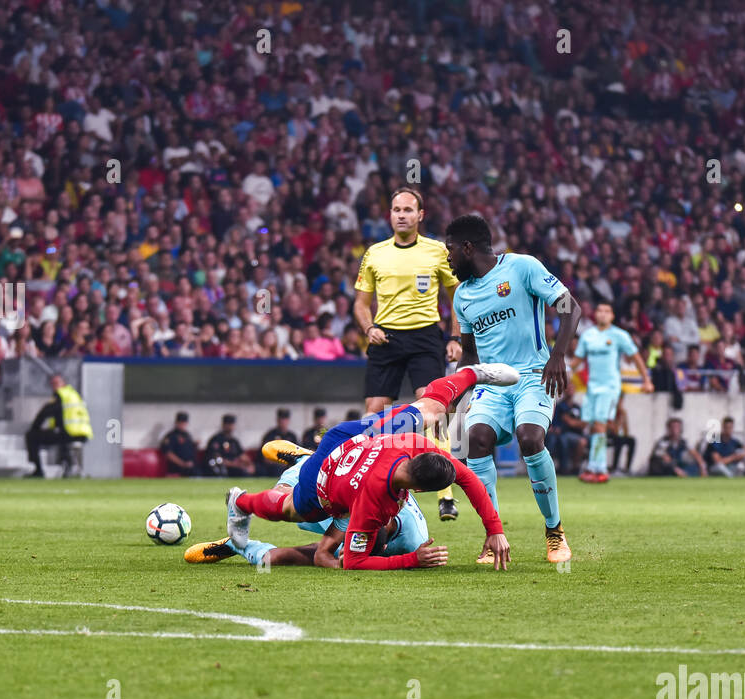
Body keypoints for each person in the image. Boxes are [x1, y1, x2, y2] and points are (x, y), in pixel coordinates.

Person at [223, 363, 519, 570]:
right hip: (324, 475)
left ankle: (471, 374)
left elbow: (467, 478)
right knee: (288, 509)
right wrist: (413, 561)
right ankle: (241, 501)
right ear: (416, 490)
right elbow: (355, 562)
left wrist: (494, 529)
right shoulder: (372, 504)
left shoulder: (414, 445)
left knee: (431, 410)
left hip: (359, 437)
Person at [448, 214, 579, 563]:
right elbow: (470, 352)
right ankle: (493, 537)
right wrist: (456, 390)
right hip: (491, 384)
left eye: (449, 250)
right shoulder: (462, 296)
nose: (447, 259)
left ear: (467, 247)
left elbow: (570, 307)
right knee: (475, 440)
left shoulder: (522, 267)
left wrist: (558, 356)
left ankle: (554, 532)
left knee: (530, 438)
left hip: (535, 375)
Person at [353, 187, 463, 521]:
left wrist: (456, 336)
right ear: (390, 214)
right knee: (374, 412)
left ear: (420, 216)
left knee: (435, 410)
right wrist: (368, 328)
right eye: (396, 209)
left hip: (425, 337)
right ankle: (367, 481)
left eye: (408, 210)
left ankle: (446, 493)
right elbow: (360, 304)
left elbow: (456, 295)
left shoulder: (437, 251)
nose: (401, 214)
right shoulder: (374, 253)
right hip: (386, 338)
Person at [186, 444, 430, 569]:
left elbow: (326, 557)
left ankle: (235, 545)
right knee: (283, 500)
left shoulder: (410, 543)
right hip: (339, 488)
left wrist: (344, 561)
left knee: (274, 560)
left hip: (352, 525)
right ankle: (306, 459)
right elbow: (325, 553)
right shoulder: (374, 501)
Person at [575, 302, 650, 482]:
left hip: (609, 387)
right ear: (595, 314)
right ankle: (595, 466)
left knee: (600, 424)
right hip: (591, 387)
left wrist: (646, 380)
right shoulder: (587, 336)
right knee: (593, 426)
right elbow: (576, 361)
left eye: (607, 311)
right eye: (599, 310)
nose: (603, 314)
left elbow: (636, 357)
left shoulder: (619, 335)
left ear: (612, 316)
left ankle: (598, 469)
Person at [25, 374, 93, 478]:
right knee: (60, 436)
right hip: (82, 433)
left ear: (63, 383)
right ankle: (68, 466)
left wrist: (35, 427)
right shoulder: (74, 394)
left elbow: (45, 412)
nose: (54, 386)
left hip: (69, 432)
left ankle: (38, 470)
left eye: (56, 383)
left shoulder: (61, 395)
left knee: (32, 436)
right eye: (53, 384)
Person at [258, 408, 299, 476]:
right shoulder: (270, 435)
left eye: (285, 419)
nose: (283, 422)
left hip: (288, 465)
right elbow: (264, 456)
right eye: (281, 419)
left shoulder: (292, 436)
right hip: (273, 465)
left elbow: (298, 454)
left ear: (288, 420)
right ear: (277, 420)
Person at [159, 411, 199, 476]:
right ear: (176, 423)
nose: (183, 424)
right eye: (181, 422)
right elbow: (168, 453)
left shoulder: (187, 435)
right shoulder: (171, 436)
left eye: (184, 422)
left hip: (190, 469)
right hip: (176, 469)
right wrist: (183, 464)